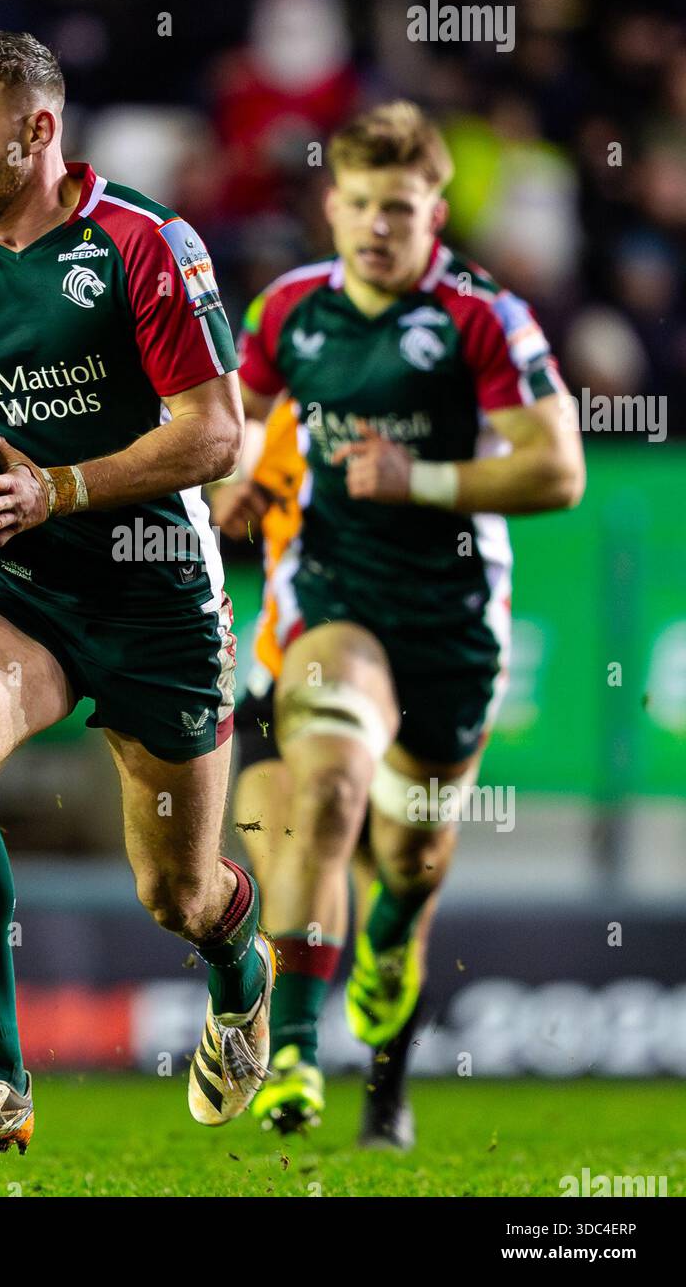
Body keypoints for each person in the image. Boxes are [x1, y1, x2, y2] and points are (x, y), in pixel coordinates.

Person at [0, 31, 275, 1165]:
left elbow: (215, 433)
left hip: (157, 593)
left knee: (175, 894)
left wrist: (57, 484)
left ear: (38, 129)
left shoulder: (141, 242)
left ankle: (239, 974)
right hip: (18, 580)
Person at [216, 101, 585, 1145]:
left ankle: (387, 957)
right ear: (331, 207)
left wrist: (414, 476)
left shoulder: (482, 314)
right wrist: (238, 482)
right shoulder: (285, 310)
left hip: (452, 624)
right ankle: (290, 1056)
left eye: (400, 206)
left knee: (410, 859)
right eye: (359, 204)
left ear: (434, 211)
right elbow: (232, 426)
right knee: (319, 790)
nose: (377, 224)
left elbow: (559, 470)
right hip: (333, 600)